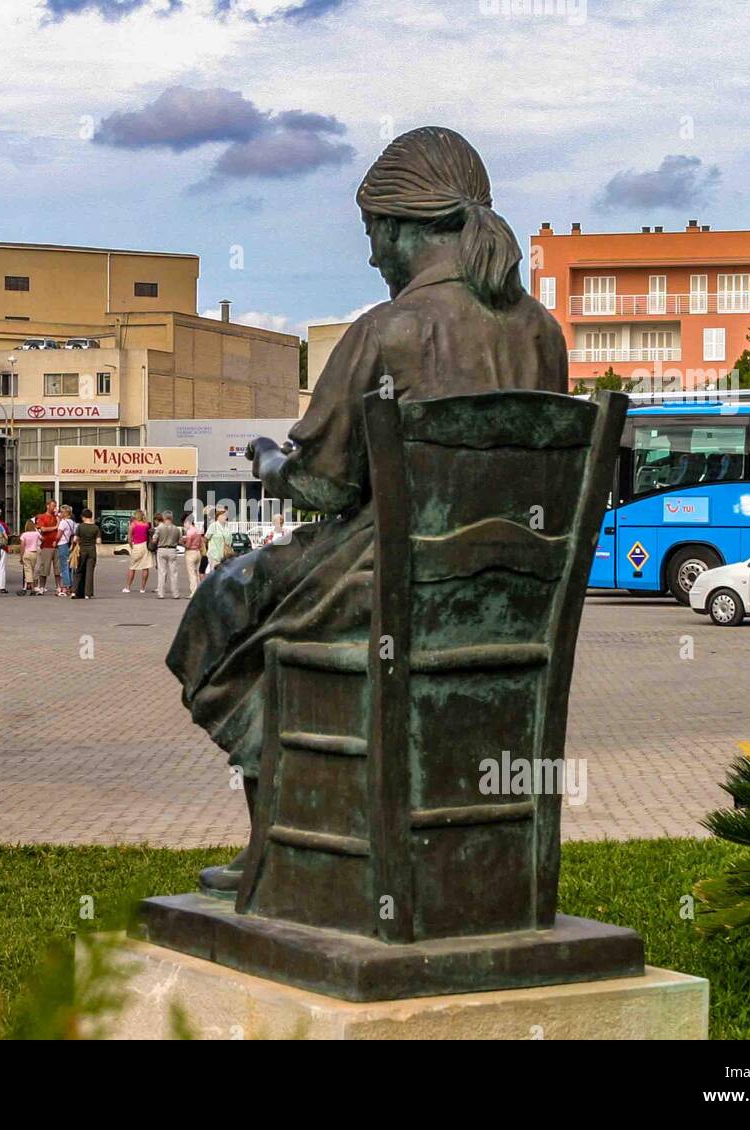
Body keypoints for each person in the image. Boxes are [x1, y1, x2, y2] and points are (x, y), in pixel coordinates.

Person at [167, 126, 568, 893]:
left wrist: (268, 460)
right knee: (253, 600)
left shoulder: (390, 331)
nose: (372, 257)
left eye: (372, 234)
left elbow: (325, 487)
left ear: (404, 224)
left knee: (229, 609)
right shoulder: (543, 334)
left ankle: (284, 850)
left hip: (392, 587)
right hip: (511, 604)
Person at [73, 508, 100, 599]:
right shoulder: (95, 528)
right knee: (89, 572)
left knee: (79, 571)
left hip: (82, 550)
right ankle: (87, 593)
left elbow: (75, 539)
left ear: (83, 517)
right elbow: (98, 541)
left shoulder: (80, 527)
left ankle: (75, 591)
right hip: (92, 550)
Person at [154, 510, 182, 599]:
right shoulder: (176, 529)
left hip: (161, 549)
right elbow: (180, 541)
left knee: (162, 572)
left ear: (164, 518)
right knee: (174, 573)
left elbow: (154, 540)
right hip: (172, 550)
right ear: (172, 518)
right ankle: (175, 594)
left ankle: (161, 593)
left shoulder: (159, 527)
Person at [123, 509, 152, 593]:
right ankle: (142, 588)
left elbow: (129, 539)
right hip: (145, 546)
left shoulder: (133, 524)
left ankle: (128, 587)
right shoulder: (146, 525)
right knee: (145, 567)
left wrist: (132, 547)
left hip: (137, 545)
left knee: (132, 567)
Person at [35, 499, 59, 595]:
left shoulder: (57, 517)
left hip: (57, 546)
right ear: (48, 506)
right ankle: (42, 587)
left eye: (55, 506)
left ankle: (58, 587)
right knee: (44, 568)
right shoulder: (42, 517)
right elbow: (43, 529)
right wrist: (55, 527)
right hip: (46, 545)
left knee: (58, 568)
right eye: (53, 506)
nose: (54, 508)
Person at [202, 505, 232, 575]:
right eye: (224, 515)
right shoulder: (213, 526)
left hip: (225, 557)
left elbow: (229, 542)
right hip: (214, 556)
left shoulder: (227, 527)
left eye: (226, 515)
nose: (226, 517)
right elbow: (206, 539)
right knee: (215, 576)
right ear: (219, 516)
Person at [56, 504, 77, 596]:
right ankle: (71, 585)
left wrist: (55, 541)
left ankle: (66, 586)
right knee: (69, 566)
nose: (60, 513)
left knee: (64, 565)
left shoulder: (63, 523)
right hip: (70, 544)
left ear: (65, 513)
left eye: (61, 511)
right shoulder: (73, 522)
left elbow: (59, 534)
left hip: (62, 543)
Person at [182, 515, 205, 596]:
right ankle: (199, 590)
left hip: (190, 552)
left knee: (191, 573)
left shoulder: (189, 532)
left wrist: (181, 543)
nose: (184, 525)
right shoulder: (197, 530)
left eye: (184, 523)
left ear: (187, 522)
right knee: (197, 572)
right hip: (198, 552)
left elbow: (188, 545)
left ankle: (193, 592)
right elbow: (201, 543)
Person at [17, 519, 41, 594]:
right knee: (32, 570)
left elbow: (22, 546)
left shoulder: (24, 535)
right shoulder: (36, 534)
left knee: (28, 571)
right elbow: (42, 539)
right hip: (34, 553)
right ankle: (29, 586)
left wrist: (21, 557)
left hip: (26, 553)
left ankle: (30, 588)